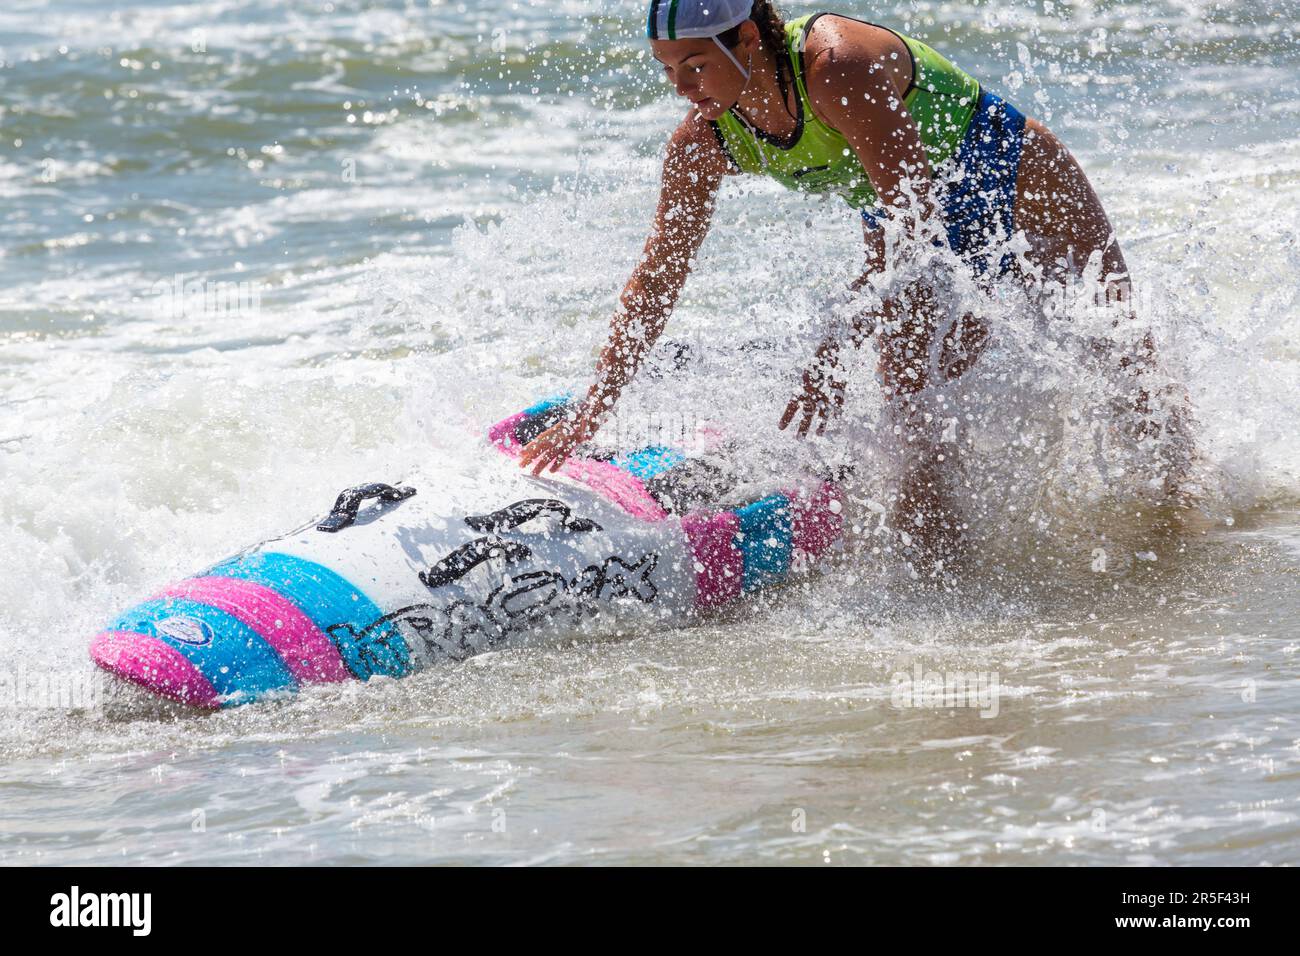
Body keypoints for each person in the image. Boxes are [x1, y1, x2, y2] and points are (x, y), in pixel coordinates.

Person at [518, 0, 1176, 562]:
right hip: (914, 229)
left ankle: (1187, 525)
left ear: (749, 38)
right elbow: (657, 279)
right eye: (668, 71)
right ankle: (943, 585)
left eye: (694, 65)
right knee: (911, 414)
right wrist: (595, 407)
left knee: (1122, 370)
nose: (683, 90)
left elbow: (917, 222)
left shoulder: (836, 68)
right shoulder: (704, 140)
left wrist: (837, 344)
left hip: (1027, 190)